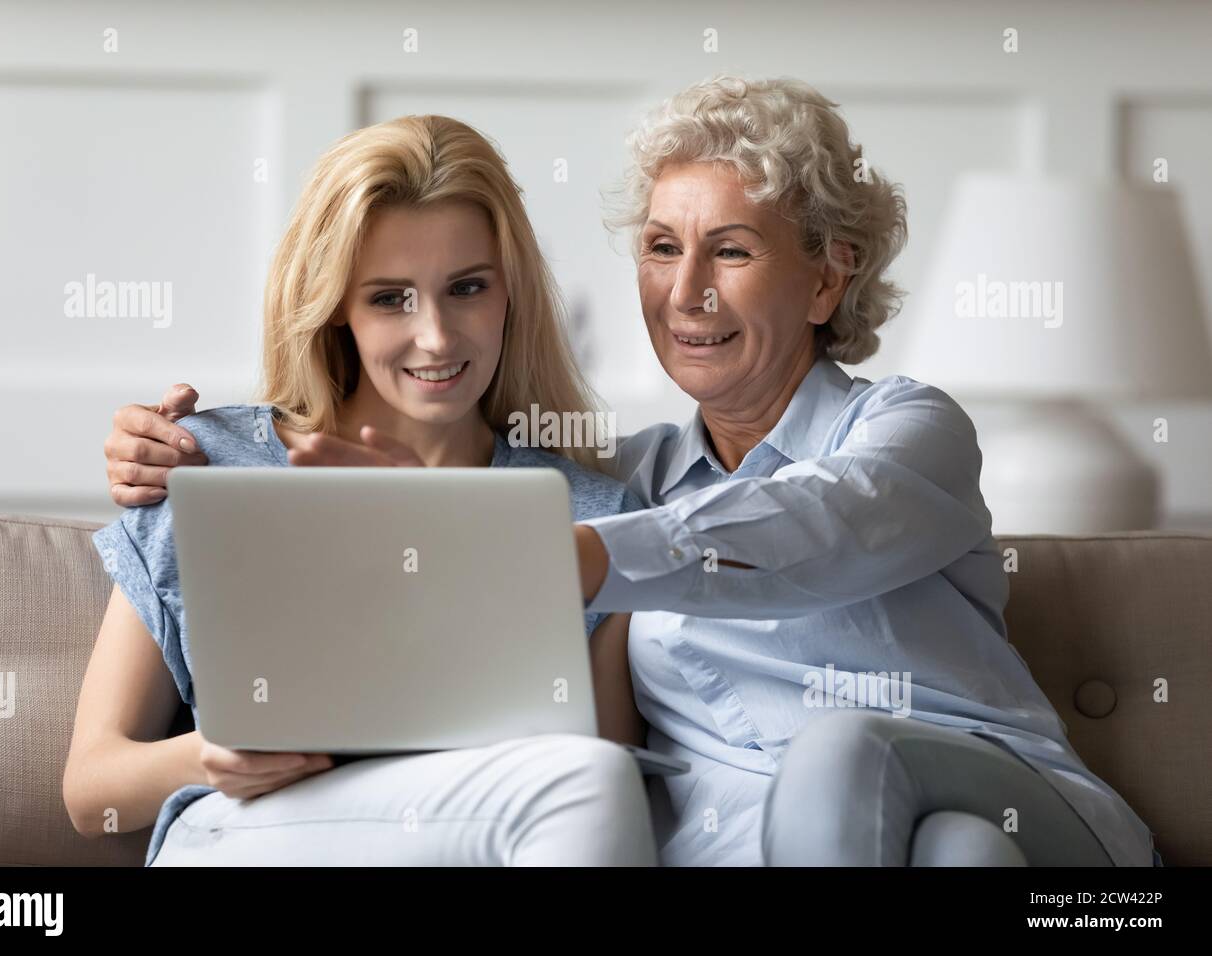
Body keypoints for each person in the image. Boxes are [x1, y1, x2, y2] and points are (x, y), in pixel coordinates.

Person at [101, 76, 1159, 867]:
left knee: (882, 783)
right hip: (798, 847)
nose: (686, 293)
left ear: (828, 276)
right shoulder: (624, 476)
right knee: (957, 860)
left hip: (1028, 813)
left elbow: (817, 525)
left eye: (731, 251)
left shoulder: (906, 432)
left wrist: (550, 554)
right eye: (660, 248)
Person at [63, 114, 659, 866]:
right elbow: (90, 791)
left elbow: (600, 783)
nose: (437, 336)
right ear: (336, 306)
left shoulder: (592, 518)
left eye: (466, 288)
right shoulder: (201, 465)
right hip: (243, 833)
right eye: (390, 298)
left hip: (464, 836)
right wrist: (211, 756)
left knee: (595, 778)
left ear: (512, 295)